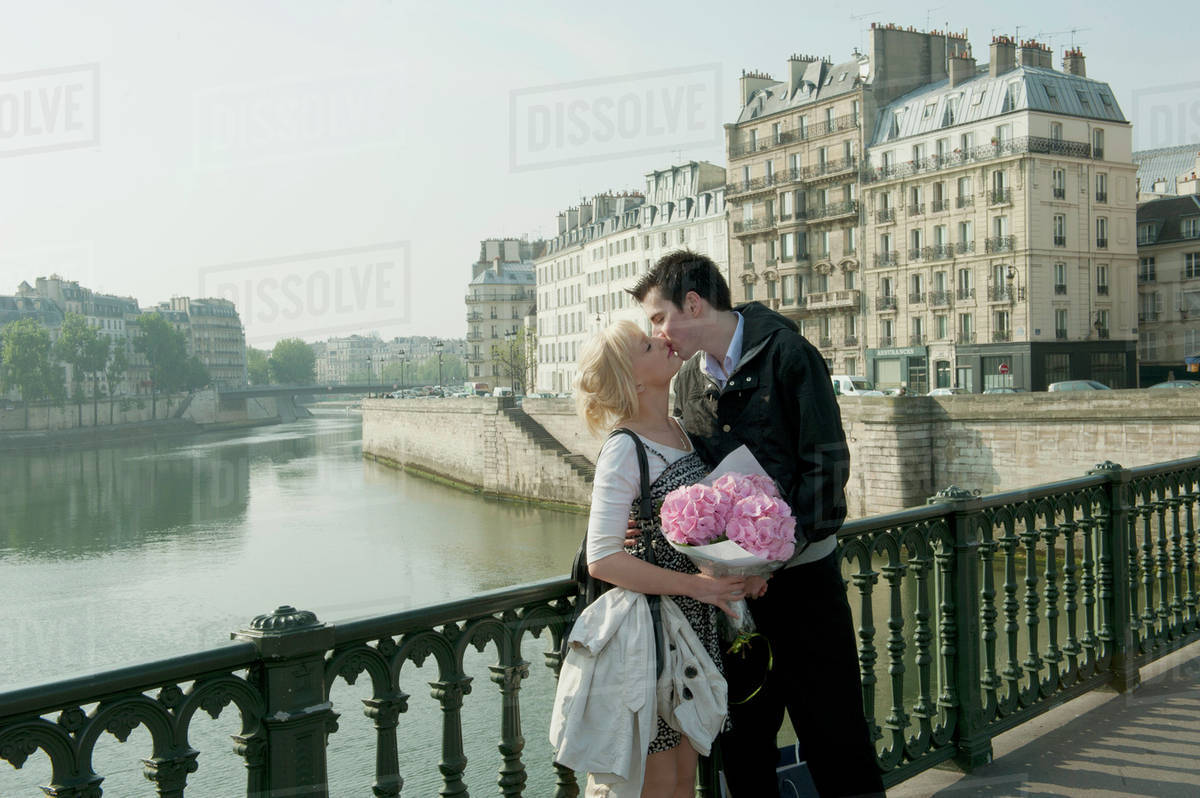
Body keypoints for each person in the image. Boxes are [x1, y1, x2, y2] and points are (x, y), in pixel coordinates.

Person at [629, 250, 885, 798]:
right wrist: (635, 530)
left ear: (693, 304)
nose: (657, 333)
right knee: (745, 743)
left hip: (804, 585)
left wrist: (772, 559)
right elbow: (690, 480)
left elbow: (827, 468)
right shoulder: (689, 381)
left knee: (835, 735)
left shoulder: (789, 354)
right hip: (735, 597)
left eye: (658, 318)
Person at [573, 319, 753, 798]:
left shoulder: (679, 429)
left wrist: (743, 567)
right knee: (661, 782)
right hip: (652, 637)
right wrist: (699, 586)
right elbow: (602, 558)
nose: (663, 341)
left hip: (691, 626)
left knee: (683, 780)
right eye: (647, 345)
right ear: (633, 380)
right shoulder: (624, 448)